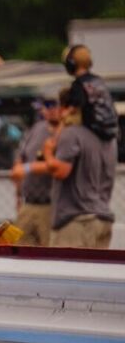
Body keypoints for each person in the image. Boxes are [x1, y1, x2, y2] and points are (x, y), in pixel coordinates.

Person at [44, 88, 116, 248]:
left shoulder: (72, 134)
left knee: (65, 271)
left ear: (69, 108)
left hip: (75, 222)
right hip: (102, 217)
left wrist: (48, 153)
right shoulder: (108, 138)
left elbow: (62, 171)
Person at [10, 97, 61, 245]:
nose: (50, 109)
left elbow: (60, 167)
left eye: (54, 104)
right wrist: (18, 195)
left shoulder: (68, 133)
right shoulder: (37, 128)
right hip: (28, 204)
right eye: (46, 105)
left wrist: (27, 168)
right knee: (20, 252)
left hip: (51, 205)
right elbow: (21, 160)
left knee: (50, 255)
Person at [63, 42, 119, 148]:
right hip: (110, 133)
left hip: (94, 133)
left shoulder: (79, 84)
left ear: (71, 63)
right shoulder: (98, 81)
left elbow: (73, 108)